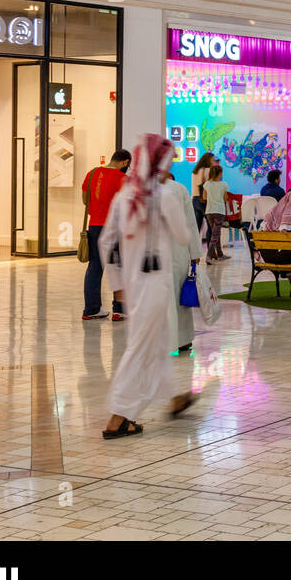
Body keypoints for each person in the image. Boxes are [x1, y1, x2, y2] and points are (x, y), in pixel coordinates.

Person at [100, 136, 198, 439]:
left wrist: (118, 287)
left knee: (156, 344)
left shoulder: (123, 196)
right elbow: (183, 236)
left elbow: (106, 242)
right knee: (141, 347)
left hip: (133, 284)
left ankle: (172, 399)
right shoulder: (164, 196)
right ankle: (117, 417)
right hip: (156, 284)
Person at [82, 149, 132, 321]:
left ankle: (91, 309)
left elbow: (85, 199)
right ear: (125, 162)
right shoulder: (122, 179)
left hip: (94, 226)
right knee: (119, 266)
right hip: (114, 228)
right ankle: (119, 310)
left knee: (94, 268)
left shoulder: (92, 173)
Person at [162, 166, 201, 354]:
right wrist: (195, 253)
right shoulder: (178, 189)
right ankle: (183, 339)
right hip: (177, 249)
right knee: (179, 295)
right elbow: (190, 224)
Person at [202, 165, 229, 263]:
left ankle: (220, 255)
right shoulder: (224, 184)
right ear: (220, 173)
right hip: (219, 211)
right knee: (215, 235)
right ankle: (208, 257)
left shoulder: (207, 184)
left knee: (216, 234)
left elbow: (204, 197)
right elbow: (225, 199)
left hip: (209, 211)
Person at [190, 152, 215, 234]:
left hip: (195, 200)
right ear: (208, 160)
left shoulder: (195, 171)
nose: (213, 162)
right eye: (212, 160)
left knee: (196, 228)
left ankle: (193, 246)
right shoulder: (208, 170)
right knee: (211, 226)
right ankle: (210, 246)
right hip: (204, 200)